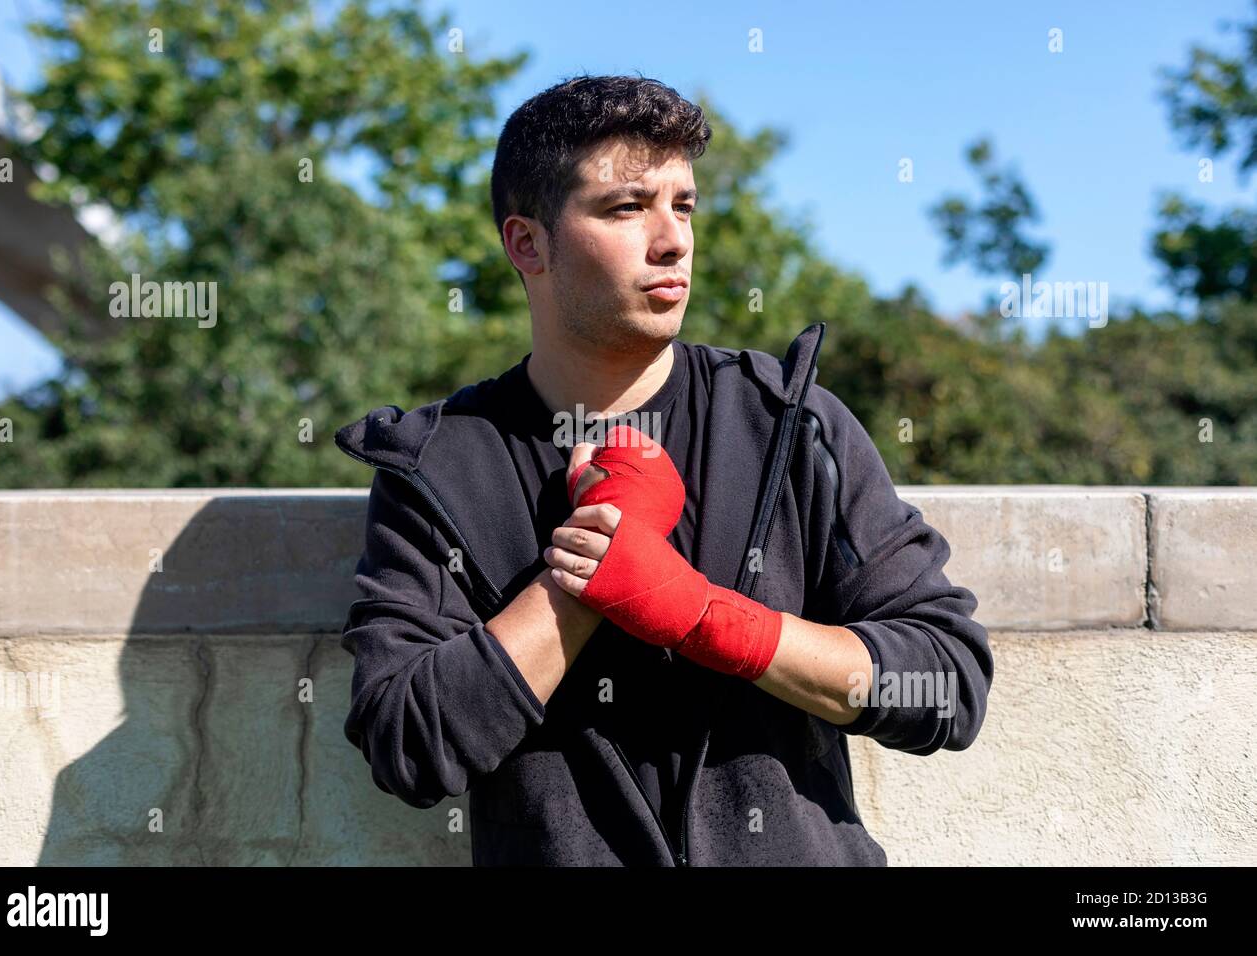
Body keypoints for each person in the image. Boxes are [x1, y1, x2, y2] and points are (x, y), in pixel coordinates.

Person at [334, 74, 994, 866]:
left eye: (682, 206)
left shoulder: (789, 422)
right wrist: (577, 590)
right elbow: (408, 743)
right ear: (527, 243)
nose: (673, 238)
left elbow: (945, 685)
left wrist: (703, 615)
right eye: (625, 208)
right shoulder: (440, 465)